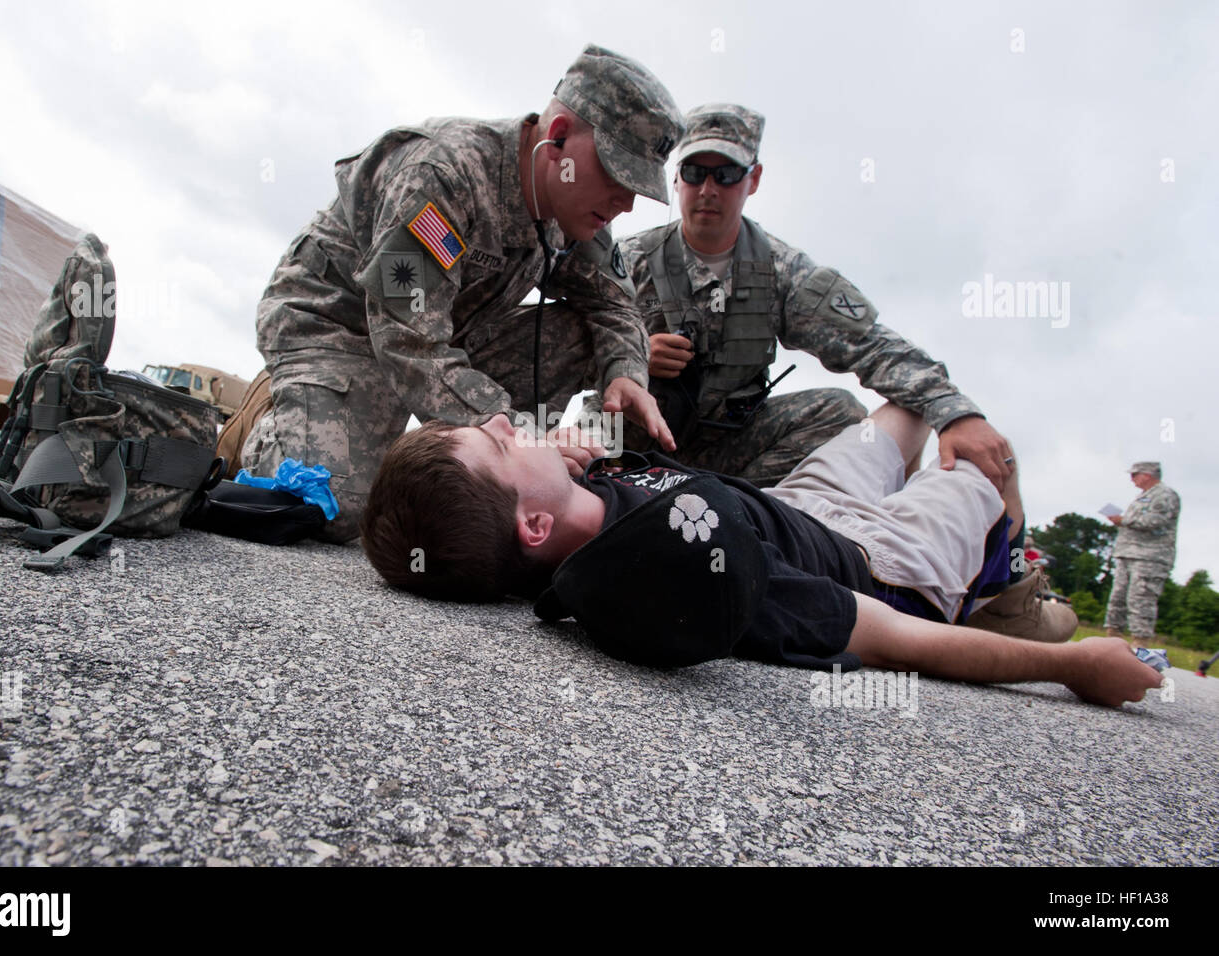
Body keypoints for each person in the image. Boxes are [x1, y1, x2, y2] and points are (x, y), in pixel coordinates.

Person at [359, 406, 1162, 708]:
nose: (504, 415)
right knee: (983, 463)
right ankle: (1007, 581)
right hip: (876, 564)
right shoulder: (676, 573)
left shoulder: (568, 500)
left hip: (797, 503)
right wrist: (1075, 669)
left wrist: (574, 461)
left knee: (918, 412)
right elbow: (896, 639)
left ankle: (991, 566)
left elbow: (548, 486)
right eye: (498, 440)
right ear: (533, 529)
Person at [237, 45, 684, 542]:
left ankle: (532, 468)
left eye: (637, 188)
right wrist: (527, 438)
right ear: (557, 137)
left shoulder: (575, 208)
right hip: (344, 327)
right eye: (616, 174)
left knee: (582, 331)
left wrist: (627, 373)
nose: (625, 202)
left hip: (448, 337)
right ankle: (279, 408)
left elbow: (614, 303)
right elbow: (407, 341)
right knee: (331, 504)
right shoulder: (445, 175)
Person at [581, 104, 1014, 491]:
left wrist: (955, 413)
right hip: (629, 443)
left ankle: (747, 513)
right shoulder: (629, 258)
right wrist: (631, 357)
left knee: (840, 412)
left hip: (730, 456)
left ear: (754, 179)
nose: (708, 189)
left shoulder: (782, 272)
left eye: (727, 174)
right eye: (695, 172)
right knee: (579, 440)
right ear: (676, 178)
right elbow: (559, 348)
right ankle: (617, 491)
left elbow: (873, 346)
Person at [1104, 461, 1181, 648]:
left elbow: (1158, 520)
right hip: (1128, 554)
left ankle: (1140, 646)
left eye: (1134, 475)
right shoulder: (1142, 497)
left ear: (1147, 474)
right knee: (1118, 598)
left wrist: (1125, 519)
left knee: (1140, 600)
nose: (1132, 479)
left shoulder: (1165, 495)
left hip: (1150, 557)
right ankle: (1112, 642)